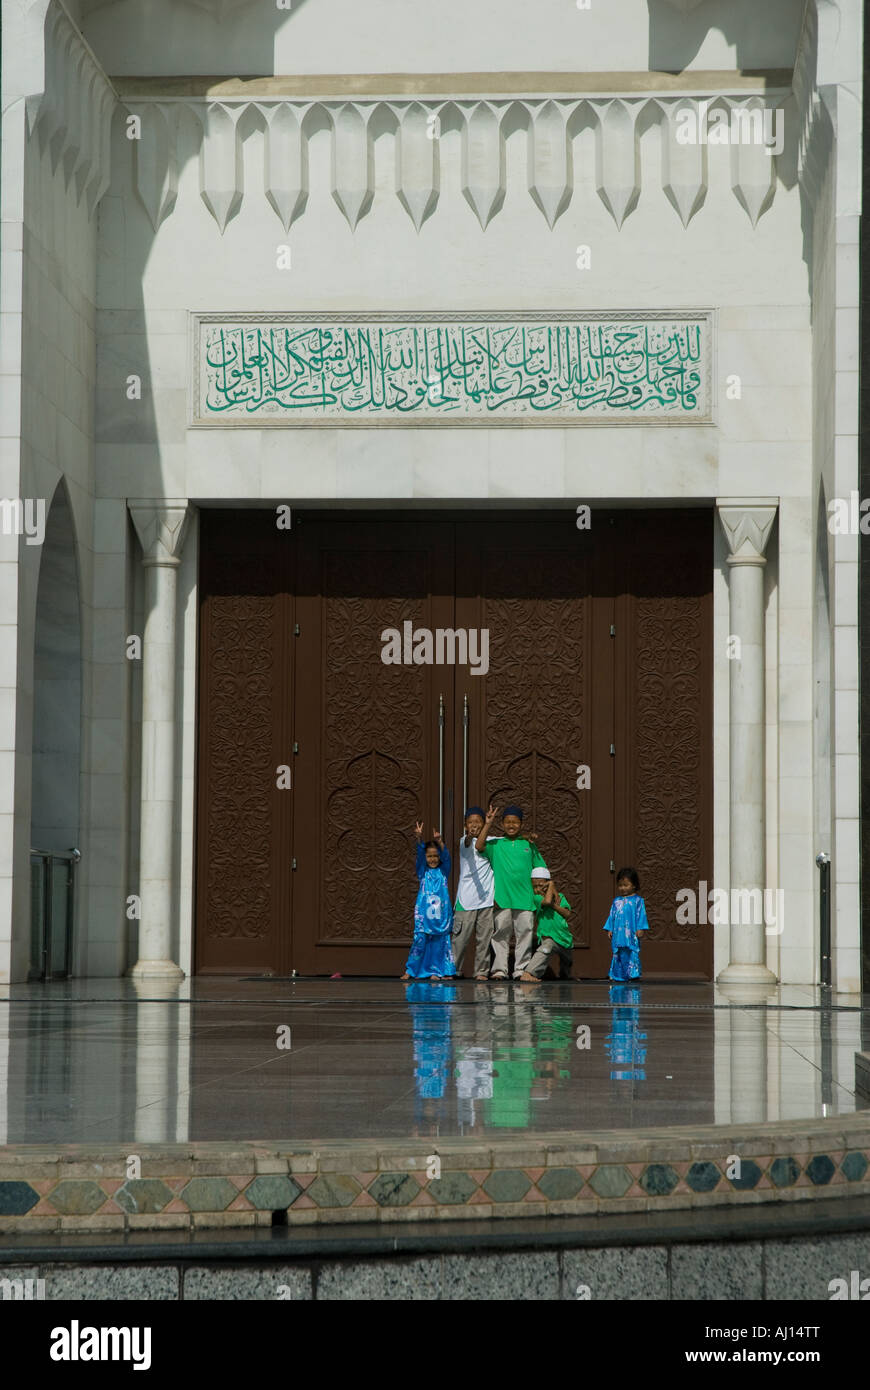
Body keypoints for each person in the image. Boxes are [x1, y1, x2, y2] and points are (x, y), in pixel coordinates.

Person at [475, 803, 546, 979]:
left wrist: (539, 893)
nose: (511, 825)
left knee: (525, 934)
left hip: (525, 898)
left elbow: (541, 870)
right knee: (500, 935)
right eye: (507, 822)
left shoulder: (528, 845)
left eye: (515, 822)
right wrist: (488, 823)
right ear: (502, 824)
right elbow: (478, 845)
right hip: (502, 897)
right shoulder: (496, 844)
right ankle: (499, 969)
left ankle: (521, 969)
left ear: (521, 824)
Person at [401, 822, 455, 982]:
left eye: (435, 856)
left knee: (439, 944)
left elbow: (446, 856)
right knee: (420, 941)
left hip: (440, 915)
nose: (433, 859)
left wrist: (440, 842)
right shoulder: (423, 871)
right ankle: (411, 970)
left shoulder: (443, 871)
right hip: (424, 915)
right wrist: (419, 838)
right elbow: (419, 855)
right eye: (430, 856)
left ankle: (437, 971)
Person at [452, 805, 496, 980]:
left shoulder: (491, 841)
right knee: (460, 938)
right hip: (466, 899)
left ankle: (481, 972)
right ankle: (453, 969)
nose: (474, 824)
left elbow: (507, 839)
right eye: (470, 822)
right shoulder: (464, 841)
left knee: (484, 939)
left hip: (486, 899)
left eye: (478, 821)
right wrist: (471, 834)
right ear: (465, 826)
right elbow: (473, 843)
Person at [519, 865, 573, 981]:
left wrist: (554, 901)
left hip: (564, 937)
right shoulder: (537, 898)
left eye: (541, 885)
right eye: (535, 886)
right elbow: (548, 901)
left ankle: (565, 975)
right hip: (549, 935)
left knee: (567, 959)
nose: (537, 889)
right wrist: (551, 885)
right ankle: (529, 973)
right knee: (545, 950)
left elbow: (567, 914)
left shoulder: (560, 897)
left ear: (547, 883)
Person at [603, 866, 649, 981]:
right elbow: (611, 916)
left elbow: (641, 915)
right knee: (618, 952)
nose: (622, 888)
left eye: (625, 885)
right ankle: (617, 974)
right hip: (618, 933)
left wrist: (641, 928)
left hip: (631, 933)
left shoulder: (638, 901)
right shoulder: (616, 901)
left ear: (634, 885)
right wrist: (610, 929)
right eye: (620, 885)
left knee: (631, 951)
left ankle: (633, 974)